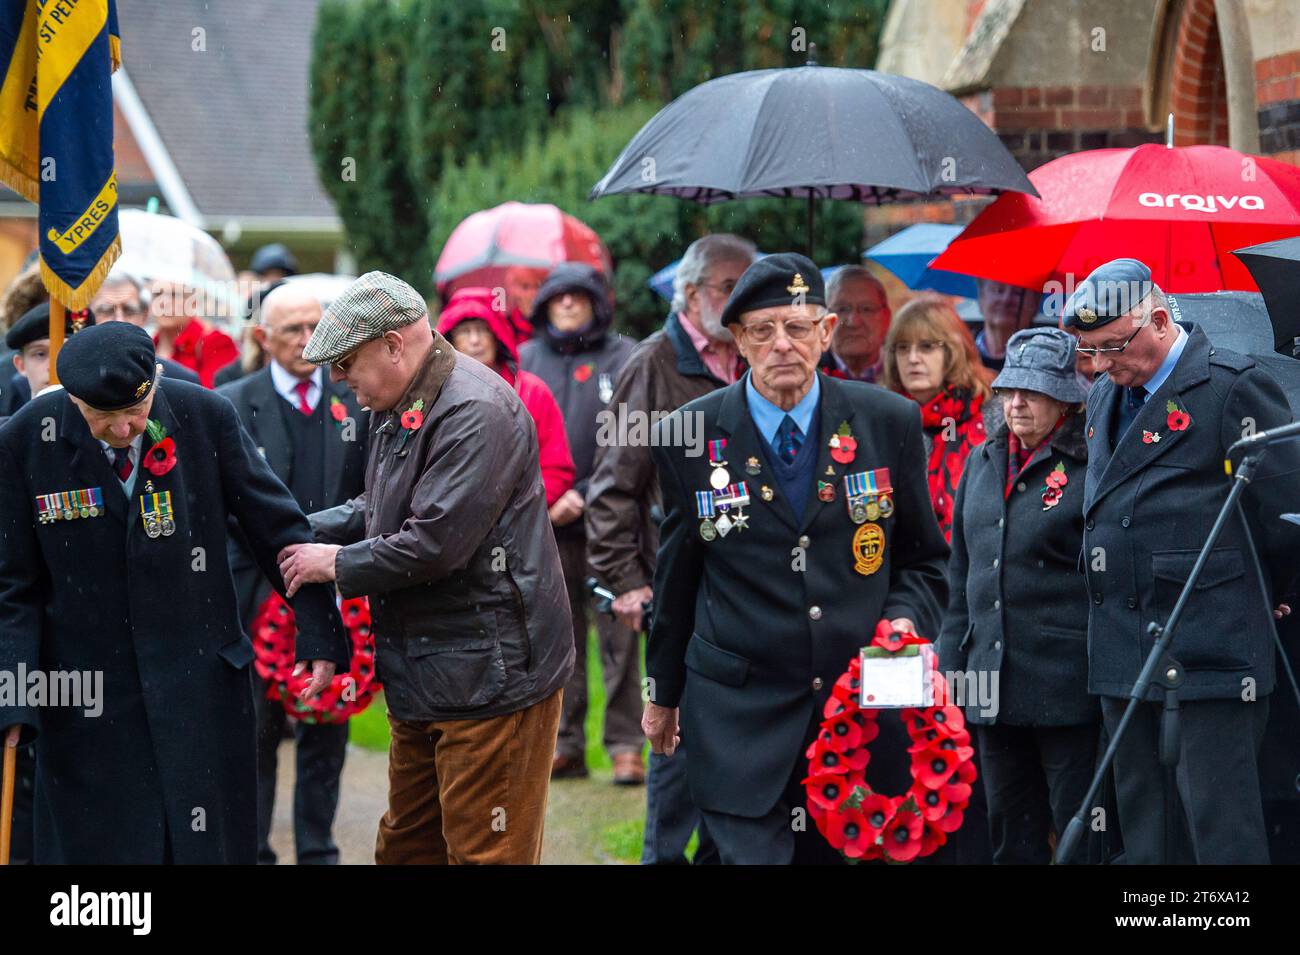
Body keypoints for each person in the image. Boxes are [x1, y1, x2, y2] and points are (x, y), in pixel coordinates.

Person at [0, 322, 349, 863]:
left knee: (203, 847)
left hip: (199, 686)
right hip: (87, 702)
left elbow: (277, 531)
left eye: (134, 413)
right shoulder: (25, 440)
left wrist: (320, 632)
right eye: (102, 417)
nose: (121, 429)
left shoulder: (203, 415)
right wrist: (14, 695)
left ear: (153, 382)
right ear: (71, 399)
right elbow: (12, 585)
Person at [643, 253, 950, 864]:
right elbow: (678, 576)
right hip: (739, 717)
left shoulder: (886, 420)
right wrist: (662, 694)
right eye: (763, 330)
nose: (782, 344)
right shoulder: (692, 434)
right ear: (738, 341)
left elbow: (922, 561)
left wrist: (906, 621)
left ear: (827, 332)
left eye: (798, 327)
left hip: (856, 716)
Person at [282, 271, 573, 865]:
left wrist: (332, 563)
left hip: (491, 678)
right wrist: (300, 530)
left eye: (345, 361)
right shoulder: (397, 397)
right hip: (430, 674)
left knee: (485, 853)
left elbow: (433, 543)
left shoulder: (476, 410)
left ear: (393, 343)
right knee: (407, 849)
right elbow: (383, 506)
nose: (339, 379)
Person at [1067, 258, 1300, 864]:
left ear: (1161, 322)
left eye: (1111, 348)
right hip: (1124, 649)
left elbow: (1287, 514)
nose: (1100, 366)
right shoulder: (1102, 400)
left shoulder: (1229, 385)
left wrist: (1273, 590)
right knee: (1148, 836)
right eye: (1089, 352)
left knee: (1219, 832)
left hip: (1210, 650)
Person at [586, 232, 756, 864]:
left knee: (733, 758)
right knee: (675, 746)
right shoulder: (652, 364)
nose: (742, 299)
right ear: (691, 292)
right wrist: (625, 580)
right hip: (675, 587)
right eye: (729, 286)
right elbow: (611, 487)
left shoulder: (751, 359)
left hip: (744, 592)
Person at [218, 283, 368, 865]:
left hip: (335, 585)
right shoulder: (230, 402)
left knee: (327, 723)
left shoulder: (352, 401)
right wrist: (283, 557)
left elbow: (364, 496)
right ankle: (253, 850)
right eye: (292, 331)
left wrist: (326, 561)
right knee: (256, 729)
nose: (307, 342)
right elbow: (226, 504)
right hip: (257, 590)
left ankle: (317, 849)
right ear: (262, 337)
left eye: (316, 327)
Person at [937, 327, 1099, 864]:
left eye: (1033, 391)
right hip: (990, 688)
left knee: (1081, 835)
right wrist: (951, 672)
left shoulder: (1090, 462)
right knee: (1010, 835)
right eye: (1010, 389)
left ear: (1066, 398)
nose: (1018, 403)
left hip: (1068, 689)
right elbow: (962, 578)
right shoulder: (982, 462)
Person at [518, 264, 642, 783]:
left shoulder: (625, 357)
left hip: (611, 522)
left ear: (598, 303)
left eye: (578, 297)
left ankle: (625, 746)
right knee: (556, 635)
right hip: (543, 523)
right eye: (557, 297)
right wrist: (549, 497)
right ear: (544, 305)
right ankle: (564, 742)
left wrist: (587, 494)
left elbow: (634, 437)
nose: (567, 305)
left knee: (620, 634)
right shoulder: (524, 360)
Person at [436, 287, 575, 507]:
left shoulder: (532, 392)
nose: (475, 340)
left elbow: (556, 470)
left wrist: (513, 511)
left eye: (482, 330)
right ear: (450, 340)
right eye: (465, 331)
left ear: (497, 336)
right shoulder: (435, 395)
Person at [881, 294, 994, 542]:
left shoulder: (994, 412)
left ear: (953, 351)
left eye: (926, 346)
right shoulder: (882, 419)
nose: (912, 358)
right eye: (902, 347)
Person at [90, 272, 201, 384]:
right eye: (106, 310)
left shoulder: (180, 379)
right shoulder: (73, 371)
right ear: (88, 316)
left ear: (144, 315)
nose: (119, 320)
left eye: (129, 311)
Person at [150, 280, 240, 387]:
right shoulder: (145, 345)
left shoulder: (216, 342)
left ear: (193, 303)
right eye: (157, 294)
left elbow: (215, 397)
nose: (163, 302)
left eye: (174, 295)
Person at [820, 266, 890, 383]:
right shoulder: (808, 373)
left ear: (887, 316)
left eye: (867, 309)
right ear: (824, 318)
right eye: (842, 309)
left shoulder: (906, 371)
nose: (853, 322)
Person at [974, 278, 1042, 372]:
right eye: (998, 290)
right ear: (981, 297)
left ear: (1036, 303)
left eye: (1018, 293)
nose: (1006, 300)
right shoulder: (958, 354)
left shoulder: (1044, 362)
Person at [503, 265, 549, 344]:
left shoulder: (556, 326)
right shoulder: (505, 328)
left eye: (538, 286)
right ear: (512, 290)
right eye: (525, 287)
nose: (533, 294)